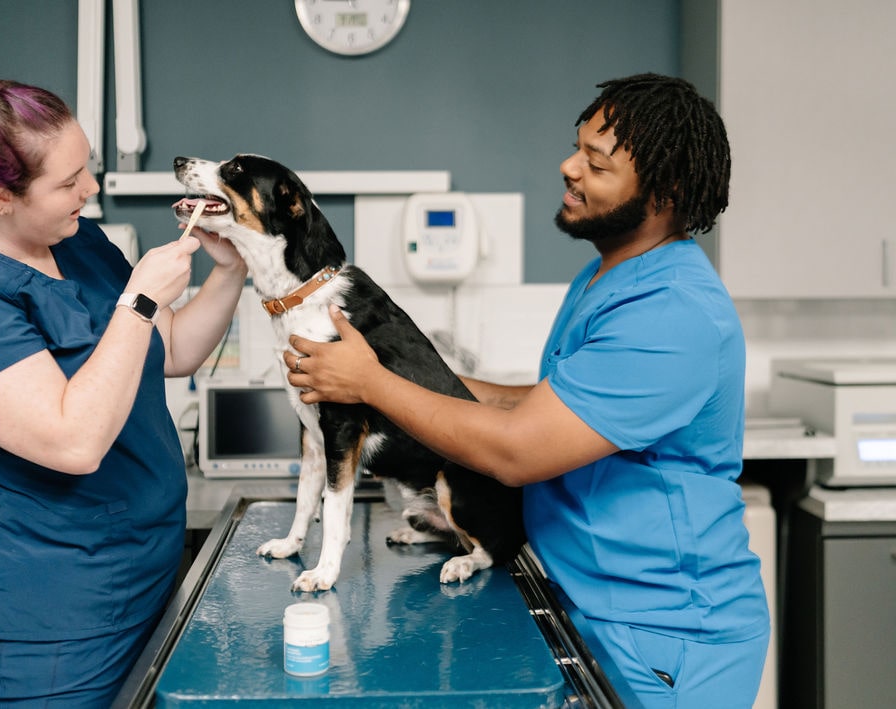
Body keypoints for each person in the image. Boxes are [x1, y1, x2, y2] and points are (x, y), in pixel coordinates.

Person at [283, 73, 770, 708]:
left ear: (667, 192)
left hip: (667, 635)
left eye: (596, 162)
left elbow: (517, 449)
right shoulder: (607, 277)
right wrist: (404, 367)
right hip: (593, 604)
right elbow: (541, 406)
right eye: (577, 148)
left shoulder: (672, 312)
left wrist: (371, 381)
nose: (569, 166)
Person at [0, 79, 247, 707]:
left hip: (141, 580)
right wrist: (138, 300)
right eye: (68, 181)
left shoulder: (75, 243)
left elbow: (176, 350)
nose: (91, 189)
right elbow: (72, 441)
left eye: (89, 168)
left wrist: (229, 269)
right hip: (40, 619)